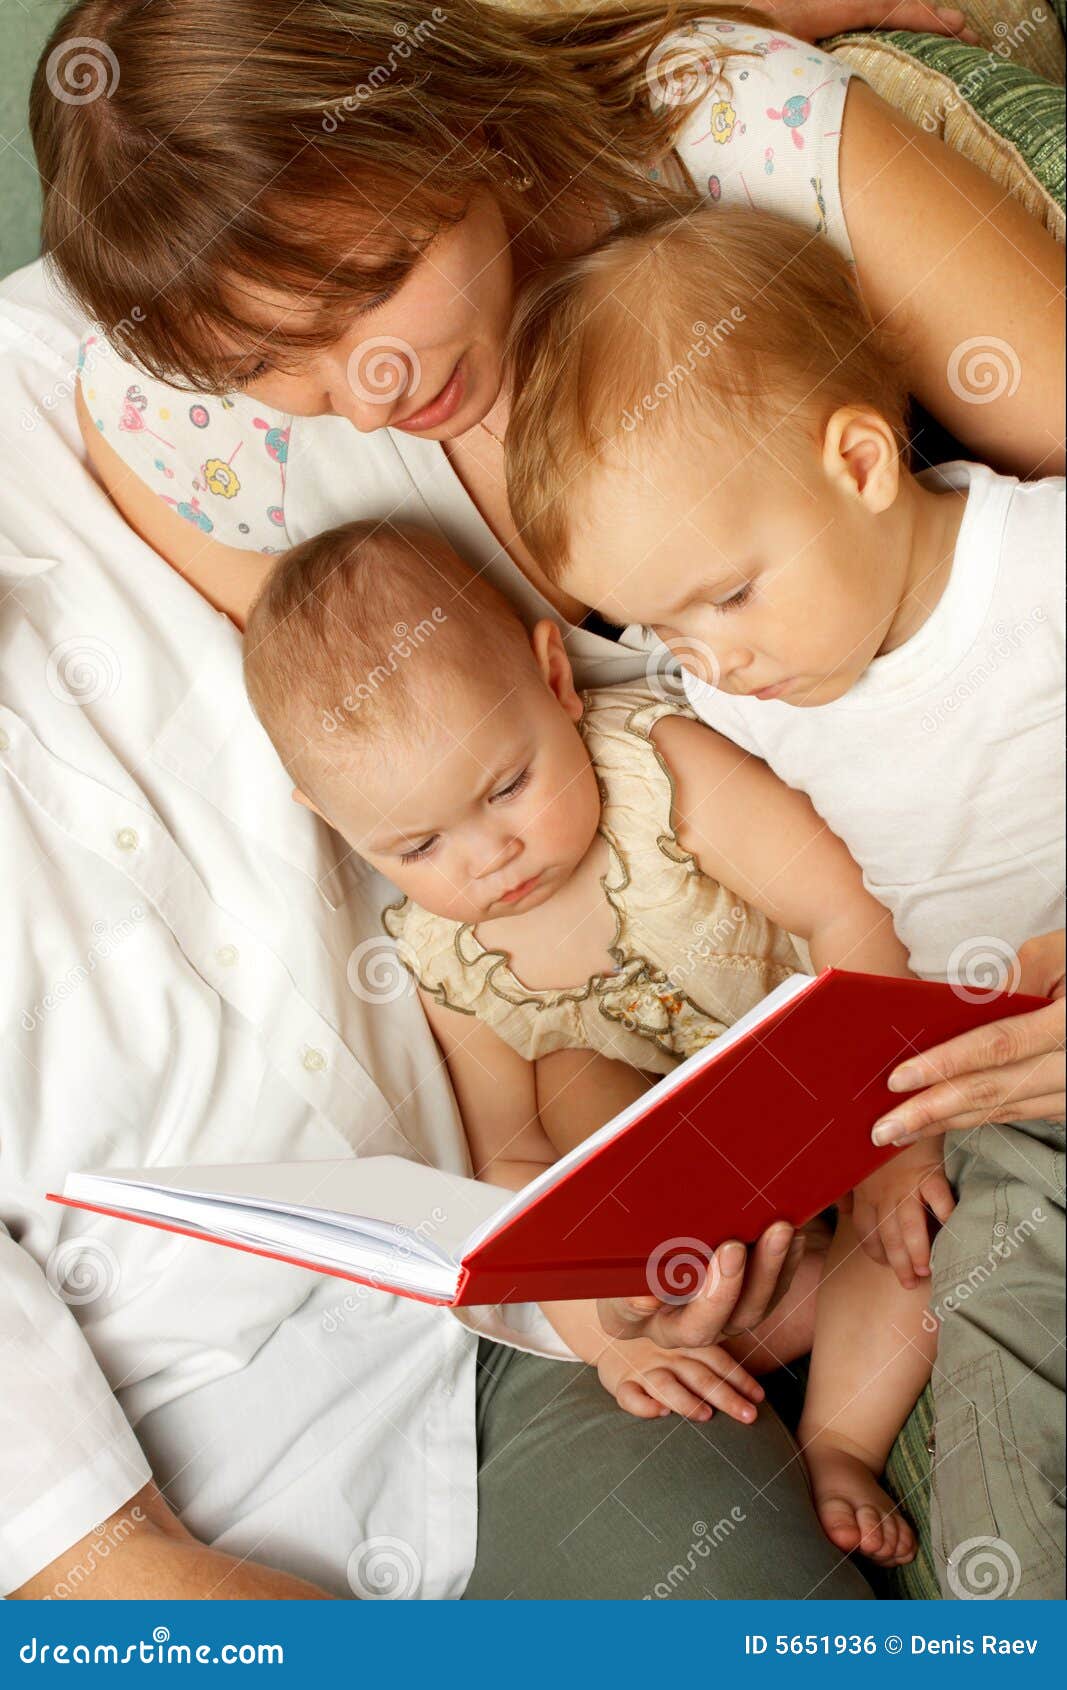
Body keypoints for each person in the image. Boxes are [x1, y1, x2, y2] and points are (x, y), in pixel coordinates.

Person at [10, 0, 1058, 1600]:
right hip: (814, 1065)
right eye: (259, 359)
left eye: (365, 290)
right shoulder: (201, 441)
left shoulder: (731, 145)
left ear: (441, 113)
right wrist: (578, 1248)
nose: (354, 392)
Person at [501, 201, 1066, 1596]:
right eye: (662, 632)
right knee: (982, 1296)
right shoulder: (747, 697)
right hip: (995, 1103)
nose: (713, 664)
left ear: (860, 461)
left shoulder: (1037, 571)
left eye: (728, 598)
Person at [242, 512, 945, 1566]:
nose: (491, 856)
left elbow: (852, 912)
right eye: (419, 843)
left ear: (554, 682)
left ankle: (840, 1437)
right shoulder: (447, 956)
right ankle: (802, 1407)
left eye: (505, 785)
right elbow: (513, 1165)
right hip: (741, 1193)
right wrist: (596, 1334)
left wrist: (901, 1140)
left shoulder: (654, 776)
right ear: (334, 824)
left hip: (863, 1078)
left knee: (914, 1240)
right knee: (668, 1292)